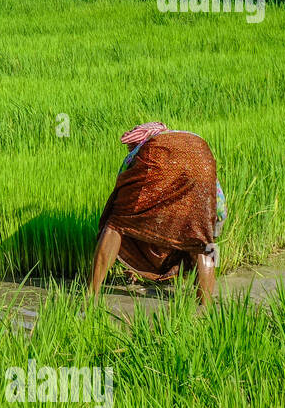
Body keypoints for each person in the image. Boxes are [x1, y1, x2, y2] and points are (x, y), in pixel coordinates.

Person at [89, 122, 227, 304]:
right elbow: (220, 206)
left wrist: (121, 213)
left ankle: (91, 294)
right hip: (204, 158)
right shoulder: (192, 144)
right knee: (203, 242)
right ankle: (206, 305)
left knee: (117, 223)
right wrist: (212, 235)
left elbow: (121, 183)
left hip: (157, 158)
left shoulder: (145, 146)